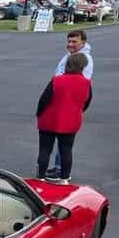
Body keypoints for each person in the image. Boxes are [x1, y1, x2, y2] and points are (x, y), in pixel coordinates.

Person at [36, 52, 92, 183]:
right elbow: (87, 102)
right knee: (66, 150)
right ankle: (64, 178)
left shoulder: (57, 80)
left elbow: (44, 99)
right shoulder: (86, 83)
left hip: (49, 120)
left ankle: (41, 177)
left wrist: (39, 114)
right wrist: (76, 111)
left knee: (45, 149)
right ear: (82, 66)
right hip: (71, 121)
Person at [48, 30, 94, 176]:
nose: (70, 44)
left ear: (83, 42)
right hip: (61, 104)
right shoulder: (70, 56)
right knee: (61, 139)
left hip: (68, 106)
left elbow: (82, 86)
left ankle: (61, 171)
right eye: (69, 41)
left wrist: (77, 107)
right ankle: (58, 166)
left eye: (74, 42)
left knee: (65, 142)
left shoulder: (84, 60)